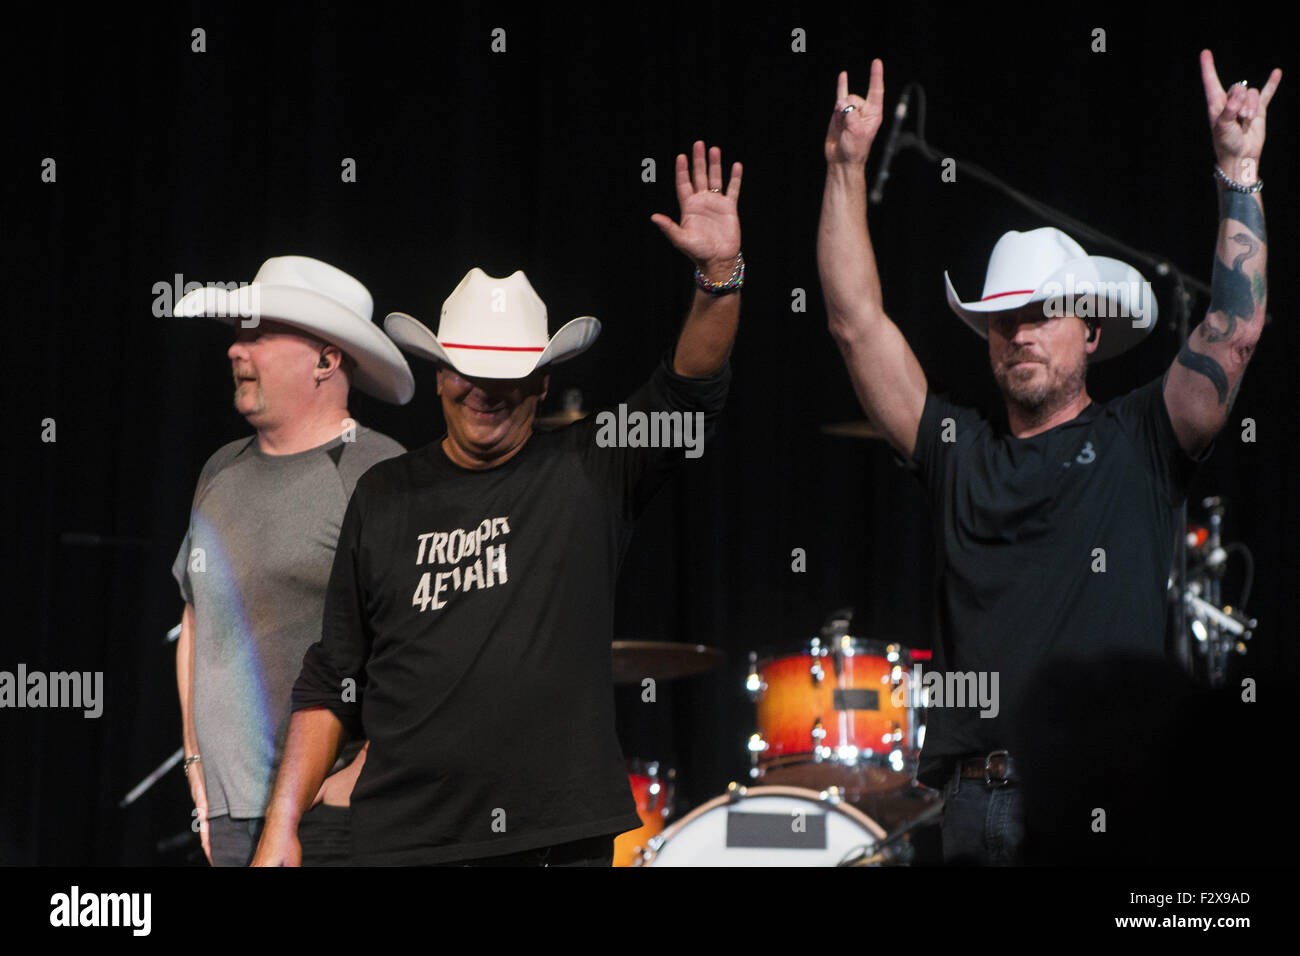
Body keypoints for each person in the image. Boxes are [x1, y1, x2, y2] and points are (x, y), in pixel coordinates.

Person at [817, 52, 1278, 864]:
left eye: (1044, 313)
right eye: (1004, 318)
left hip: (1111, 798)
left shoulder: (1144, 435)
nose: (1022, 330)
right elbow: (856, 323)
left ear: (1092, 331)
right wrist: (847, 169)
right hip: (970, 807)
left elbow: (1232, 334)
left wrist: (1239, 171)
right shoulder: (956, 451)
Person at [251, 140, 743, 866]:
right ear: (441, 373)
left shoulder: (590, 468)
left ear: (543, 383)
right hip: (403, 842)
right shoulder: (384, 495)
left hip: (555, 840)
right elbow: (332, 677)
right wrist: (279, 827)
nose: (486, 391)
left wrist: (718, 275)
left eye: (508, 376)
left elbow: (688, 390)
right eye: (468, 372)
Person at [171, 255, 415, 866]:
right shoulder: (219, 469)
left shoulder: (380, 473)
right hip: (227, 815)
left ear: (327, 360)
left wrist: (356, 776)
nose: (235, 350)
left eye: (256, 334)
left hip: (326, 819)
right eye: (236, 334)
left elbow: (423, 645)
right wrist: (197, 768)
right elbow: (195, 622)